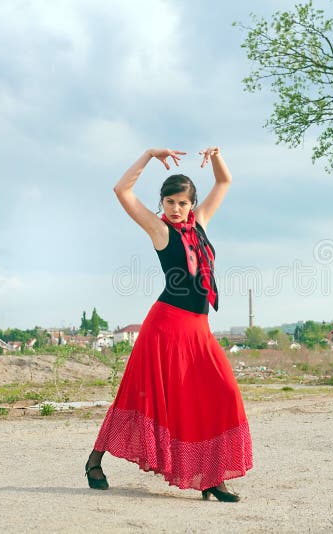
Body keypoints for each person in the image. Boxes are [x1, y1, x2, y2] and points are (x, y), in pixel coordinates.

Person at [84, 147, 253, 502]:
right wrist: (147, 156)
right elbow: (121, 191)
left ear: (192, 205)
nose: (176, 209)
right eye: (170, 202)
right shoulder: (159, 230)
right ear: (162, 203)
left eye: (182, 203)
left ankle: (210, 475)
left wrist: (216, 155)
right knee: (138, 395)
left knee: (221, 392)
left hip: (198, 329)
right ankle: (94, 461)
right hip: (165, 327)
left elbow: (225, 180)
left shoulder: (201, 223)